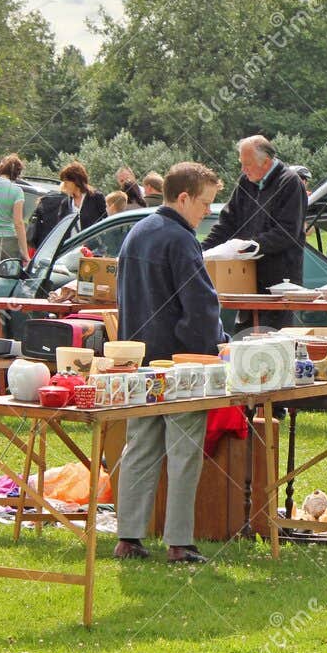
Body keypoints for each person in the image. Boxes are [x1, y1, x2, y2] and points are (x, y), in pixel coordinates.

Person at [113, 162, 225, 565]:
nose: (208, 212)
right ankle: (179, 542)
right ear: (183, 198)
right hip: (179, 363)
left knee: (140, 447)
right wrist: (214, 350)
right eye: (205, 203)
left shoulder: (136, 232)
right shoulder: (180, 239)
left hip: (139, 357)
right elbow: (199, 305)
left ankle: (128, 536)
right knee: (184, 450)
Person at [203, 135, 307, 330]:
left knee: (274, 341)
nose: (243, 169)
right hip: (248, 280)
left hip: (279, 284)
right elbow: (226, 223)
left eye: (247, 164)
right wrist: (201, 250)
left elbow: (288, 231)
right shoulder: (246, 182)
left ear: (266, 162)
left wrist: (253, 245)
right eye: (241, 164)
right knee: (243, 337)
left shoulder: (290, 182)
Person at [60, 161, 107, 231]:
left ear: (76, 181)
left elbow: (105, 222)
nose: (64, 186)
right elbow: (61, 229)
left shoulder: (96, 198)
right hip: (71, 242)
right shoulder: (65, 204)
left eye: (66, 182)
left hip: (92, 241)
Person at [27, 188, 73, 252]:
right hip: (60, 244)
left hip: (42, 242)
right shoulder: (69, 202)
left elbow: (34, 221)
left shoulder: (45, 199)